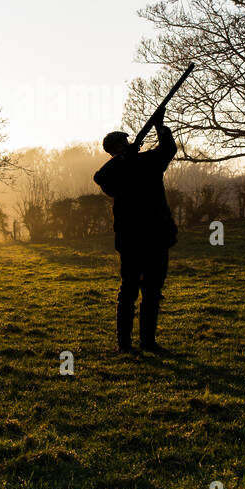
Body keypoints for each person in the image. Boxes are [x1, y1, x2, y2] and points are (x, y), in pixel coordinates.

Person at [92, 110, 178, 353]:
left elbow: (168, 150)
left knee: (152, 291)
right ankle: (125, 344)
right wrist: (123, 158)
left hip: (155, 236)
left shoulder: (146, 162)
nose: (128, 145)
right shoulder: (114, 171)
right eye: (123, 144)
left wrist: (161, 127)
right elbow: (100, 177)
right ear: (115, 150)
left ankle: (147, 343)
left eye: (127, 142)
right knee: (130, 290)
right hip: (133, 239)